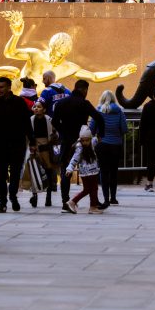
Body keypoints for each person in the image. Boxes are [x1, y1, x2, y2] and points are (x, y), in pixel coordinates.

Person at [0, 76, 35, 213]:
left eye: (2, 87)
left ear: (9, 87)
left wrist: (32, 142)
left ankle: (12, 195)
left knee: (15, 172)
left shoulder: (19, 103)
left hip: (17, 144)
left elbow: (27, 123)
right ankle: (2, 201)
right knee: (0, 174)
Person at [53, 79, 104, 212]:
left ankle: (66, 202)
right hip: (82, 142)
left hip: (66, 141)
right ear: (85, 90)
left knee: (66, 170)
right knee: (90, 171)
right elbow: (99, 118)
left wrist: (62, 132)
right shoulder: (84, 103)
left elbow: (54, 121)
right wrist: (99, 135)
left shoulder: (61, 103)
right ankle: (94, 202)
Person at [91, 89, 128, 208]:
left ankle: (106, 198)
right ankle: (114, 198)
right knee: (114, 172)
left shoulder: (98, 110)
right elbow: (124, 129)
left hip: (102, 145)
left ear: (102, 99)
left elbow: (91, 128)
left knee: (103, 171)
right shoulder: (120, 111)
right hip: (116, 145)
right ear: (114, 99)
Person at [65, 127, 104, 214]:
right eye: (83, 140)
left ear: (90, 139)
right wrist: (69, 168)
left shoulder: (93, 143)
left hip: (93, 171)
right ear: (80, 140)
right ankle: (74, 202)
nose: (85, 142)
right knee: (89, 189)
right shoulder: (80, 148)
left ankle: (92, 206)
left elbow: (96, 138)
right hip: (86, 173)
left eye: (87, 140)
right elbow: (74, 159)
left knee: (93, 189)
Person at [29, 100, 57, 207]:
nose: (36, 108)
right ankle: (34, 196)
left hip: (46, 148)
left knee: (48, 171)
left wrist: (54, 137)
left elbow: (55, 134)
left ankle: (48, 196)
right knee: (34, 172)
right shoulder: (31, 120)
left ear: (44, 109)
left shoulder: (49, 120)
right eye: (35, 107)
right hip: (34, 148)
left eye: (39, 107)